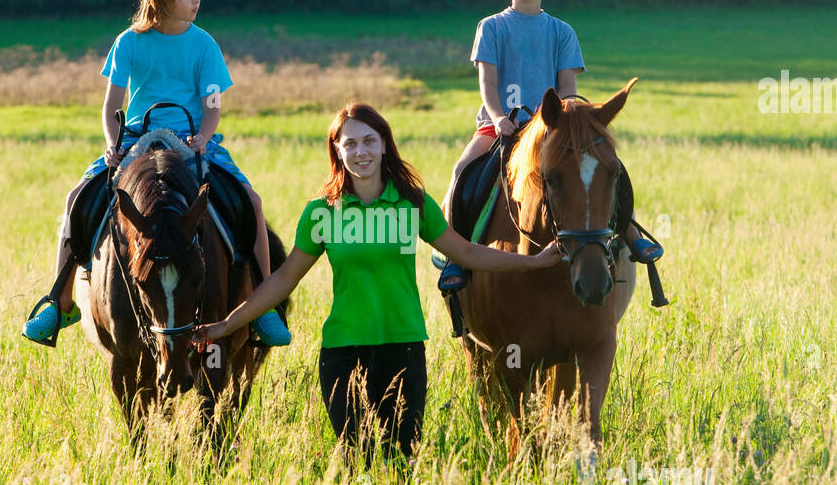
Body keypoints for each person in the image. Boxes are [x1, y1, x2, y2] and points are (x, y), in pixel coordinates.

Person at [192, 102, 564, 463]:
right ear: (337, 151)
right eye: (350, 143)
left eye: (369, 140)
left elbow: (467, 253)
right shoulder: (322, 213)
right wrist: (226, 325)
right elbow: (283, 280)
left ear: (385, 144)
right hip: (342, 355)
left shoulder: (412, 204)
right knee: (359, 464)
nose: (361, 151)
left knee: (401, 463)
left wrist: (533, 262)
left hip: (403, 350)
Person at [22, 0, 290, 346]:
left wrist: (203, 136)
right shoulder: (129, 42)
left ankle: (263, 302)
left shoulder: (204, 45)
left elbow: (212, 106)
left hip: (191, 140)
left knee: (250, 200)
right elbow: (112, 105)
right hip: (136, 139)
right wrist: (113, 144)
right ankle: (59, 300)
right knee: (76, 197)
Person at [437, 0, 663, 292]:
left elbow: (568, 91)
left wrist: (570, 126)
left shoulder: (562, 32)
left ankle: (631, 233)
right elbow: (488, 82)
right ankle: (456, 258)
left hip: (552, 132)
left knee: (606, 167)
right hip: (501, 128)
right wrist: (498, 118)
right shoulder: (491, 27)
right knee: (462, 173)